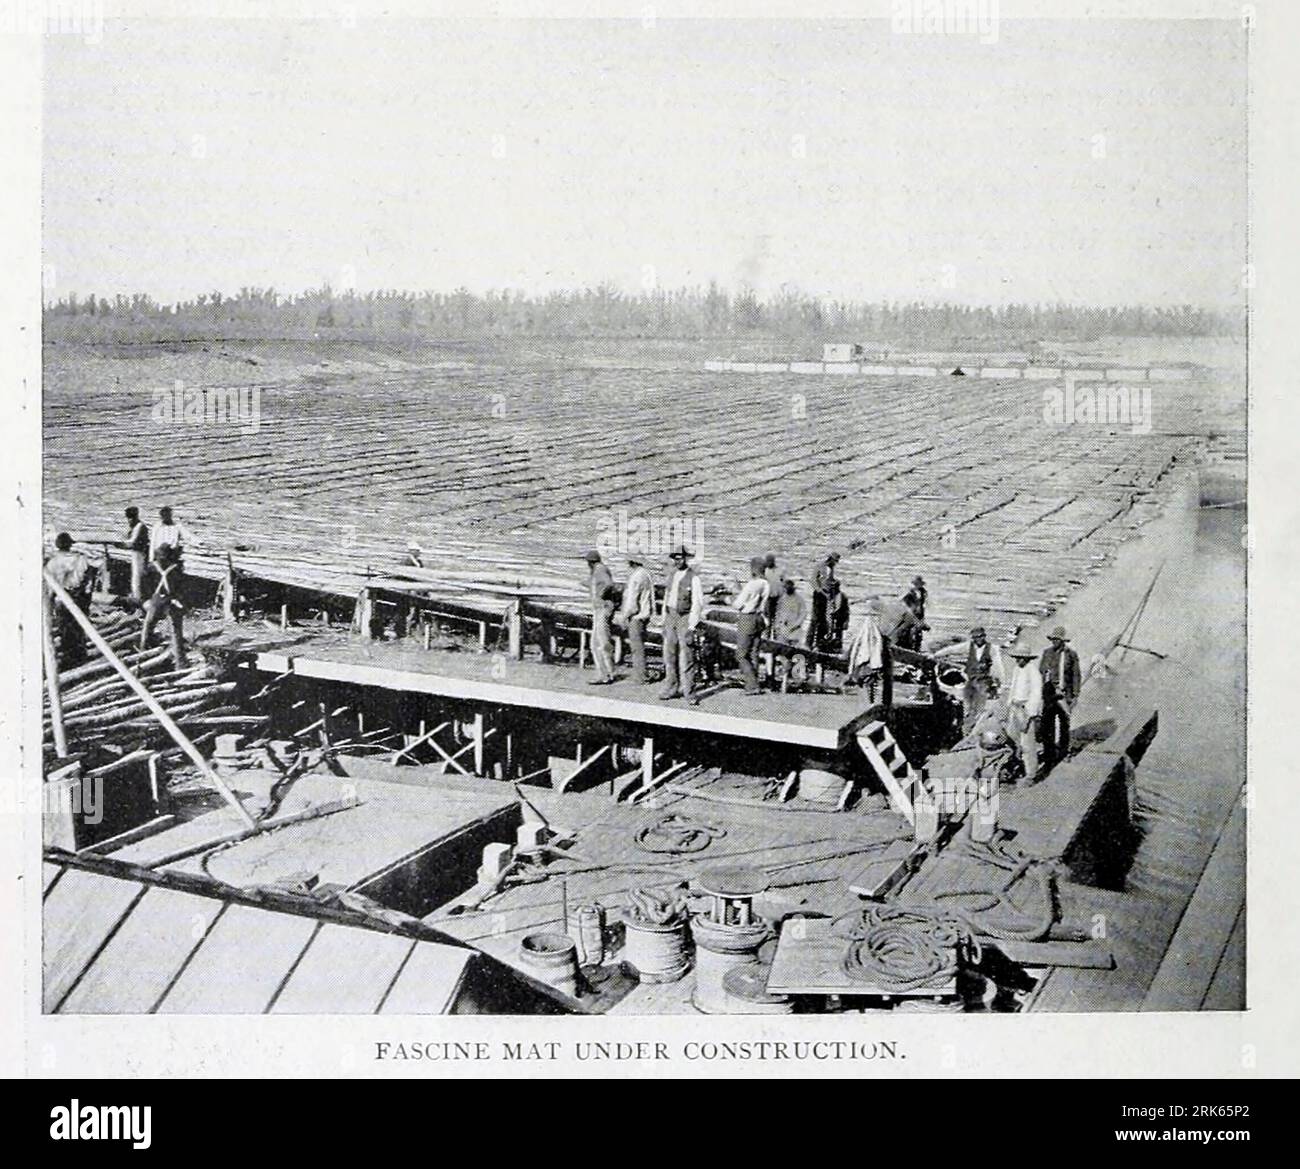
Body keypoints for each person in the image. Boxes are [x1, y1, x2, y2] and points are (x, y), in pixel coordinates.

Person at [659, 545, 704, 701]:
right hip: (671, 617)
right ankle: (671, 687)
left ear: (686, 559)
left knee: (687, 656)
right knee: (669, 655)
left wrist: (692, 626)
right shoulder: (671, 576)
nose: (678, 561)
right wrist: (663, 619)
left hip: (685, 618)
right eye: (676, 558)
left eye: (681, 558)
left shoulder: (694, 578)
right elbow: (667, 597)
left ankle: (689, 692)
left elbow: (697, 604)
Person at [45, 532, 95, 667]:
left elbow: (50, 590)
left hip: (62, 599)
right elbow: (89, 578)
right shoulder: (80, 559)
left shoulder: (52, 564)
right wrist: (87, 594)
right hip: (79, 597)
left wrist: (49, 606)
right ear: (69, 545)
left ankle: (69, 658)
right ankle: (80, 656)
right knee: (79, 627)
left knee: (65, 629)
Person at [139, 543, 187, 668]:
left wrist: (178, 600)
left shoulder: (170, 570)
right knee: (150, 625)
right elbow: (144, 587)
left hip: (166, 601)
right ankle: (144, 653)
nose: (161, 560)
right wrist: (145, 600)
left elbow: (181, 589)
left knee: (169, 628)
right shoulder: (154, 569)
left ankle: (178, 660)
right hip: (161, 600)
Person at [1039, 626, 1081, 767]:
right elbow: (1041, 671)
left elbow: (1076, 675)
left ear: (1063, 641)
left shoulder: (1071, 654)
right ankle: (1049, 753)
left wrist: (1075, 695)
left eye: (1057, 639)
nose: (1054, 642)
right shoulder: (1046, 653)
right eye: (1053, 639)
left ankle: (1063, 752)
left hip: (1065, 695)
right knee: (1047, 725)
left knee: (1064, 725)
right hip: (1050, 694)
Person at [731, 556, 771, 694]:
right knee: (754, 653)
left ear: (753, 569)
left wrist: (730, 597)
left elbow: (738, 604)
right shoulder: (766, 584)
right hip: (759, 619)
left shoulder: (751, 584)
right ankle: (755, 684)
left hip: (747, 618)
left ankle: (752, 684)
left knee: (741, 655)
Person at [1005, 647, 1044, 784]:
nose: (1017, 660)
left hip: (1025, 709)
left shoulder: (1033, 672)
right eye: (1016, 658)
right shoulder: (1017, 670)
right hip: (1015, 707)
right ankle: (1016, 765)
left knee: (1028, 743)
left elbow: (1036, 693)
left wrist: (1029, 713)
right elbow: (1013, 687)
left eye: (1020, 658)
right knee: (1012, 738)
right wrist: (1010, 703)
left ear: (1027, 658)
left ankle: (1031, 774)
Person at [615, 554, 654, 685]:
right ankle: (641, 674)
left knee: (636, 647)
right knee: (639, 646)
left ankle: (640, 677)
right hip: (645, 615)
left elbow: (632, 603)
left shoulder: (636, 577)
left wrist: (623, 617)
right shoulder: (646, 574)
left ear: (631, 563)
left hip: (636, 616)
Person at [846, 595, 890, 702]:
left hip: (869, 654)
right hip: (873, 654)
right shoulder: (876, 625)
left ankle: (869, 694)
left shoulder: (869, 626)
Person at [583, 550, 617, 685]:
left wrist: (599, 595)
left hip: (602, 608)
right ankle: (607, 672)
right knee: (598, 642)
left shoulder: (600, 569)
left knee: (600, 642)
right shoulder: (598, 570)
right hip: (599, 609)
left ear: (590, 562)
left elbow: (608, 583)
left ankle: (606, 674)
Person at [963, 626, 1005, 731]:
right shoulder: (969, 646)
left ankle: (978, 727)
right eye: (975, 637)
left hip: (983, 681)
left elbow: (998, 666)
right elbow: (953, 650)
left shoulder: (992, 648)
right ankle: (968, 726)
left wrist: (1001, 682)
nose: (978, 639)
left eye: (980, 637)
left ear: (984, 637)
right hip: (970, 681)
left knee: (981, 706)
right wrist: (936, 655)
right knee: (967, 706)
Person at [806, 552, 840, 650]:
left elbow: (829, 580)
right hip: (819, 595)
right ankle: (808, 643)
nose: (835, 563)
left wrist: (833, 584)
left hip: (827, 595)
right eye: (835, 561)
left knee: (823, 620)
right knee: (815, 619)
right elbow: (813, 580)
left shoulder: (831, 569)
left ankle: (818, 643)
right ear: (830, 559)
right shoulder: (820, 566)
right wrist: (821, 591)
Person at [118, 506, 150, 604]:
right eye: (128, 518)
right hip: (135, 554)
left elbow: (132, 542)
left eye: (131, 518)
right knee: (135, 577)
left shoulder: (140, 526)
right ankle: (137, 598)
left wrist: (121, 544)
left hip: (141, 554)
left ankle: (139, 600)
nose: (129, 520)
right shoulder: (133, 526)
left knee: (138, 577)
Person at [771, 577, 807, 645]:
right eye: (785, 588)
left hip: (794, 628)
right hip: (783, 628)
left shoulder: (799, 599)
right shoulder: (782, 599)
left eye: (788, 588)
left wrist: (796, 625)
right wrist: (777, 625)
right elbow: (778, 613)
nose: (786, 589)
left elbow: (803, 613)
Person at [762, 553, 781, 625]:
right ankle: (767, 634)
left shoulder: (778, 570)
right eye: (767, 561)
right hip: (768, 598)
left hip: (777, 597)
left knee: (776, 618)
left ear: (773, 561)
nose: (768, 563)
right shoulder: (764, 571)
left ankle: (776, 634)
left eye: (769, 561)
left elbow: (782, 583)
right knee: (768, 617)